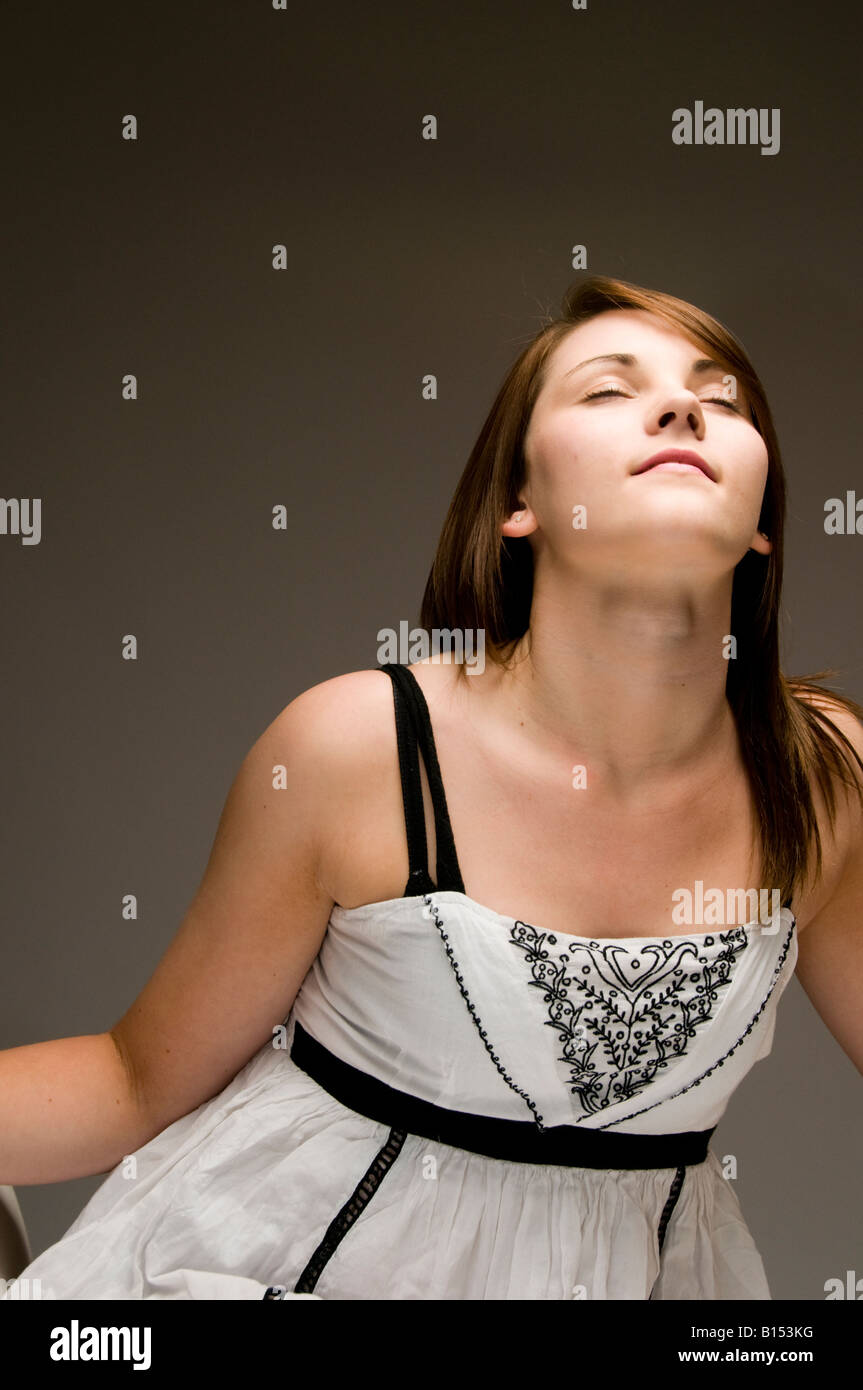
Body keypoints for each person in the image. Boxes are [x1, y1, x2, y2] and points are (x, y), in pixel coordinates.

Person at [3, 275, 862, 1301]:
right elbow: (133, 1079)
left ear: (762, 518)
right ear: (519, 505)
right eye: (606, 391)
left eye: (720, 400)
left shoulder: (823, 778)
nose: (683, 408)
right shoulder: (355, 747)